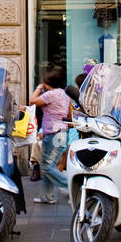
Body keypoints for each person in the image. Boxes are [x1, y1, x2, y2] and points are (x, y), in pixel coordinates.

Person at [29, 68, 71, 204]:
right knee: (50, 165)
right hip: (62, 133)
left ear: (48, 83)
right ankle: (47, 196)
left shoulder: (50, 95)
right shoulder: (64, 94)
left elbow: (32, 101)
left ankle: (72, 187)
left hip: (53, 134)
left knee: (47, 166)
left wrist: (38, 88)